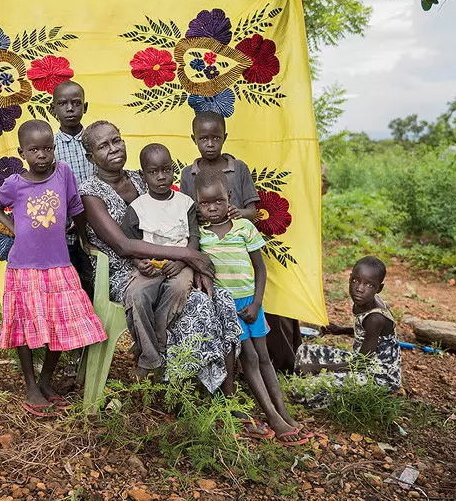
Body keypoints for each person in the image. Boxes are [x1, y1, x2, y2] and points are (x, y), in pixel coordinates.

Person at [78, 120, 240, 393]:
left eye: (116, 140)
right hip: (121, 272)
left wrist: (188, 261)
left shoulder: (144, 177)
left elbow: (181, 221)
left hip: (171, 267)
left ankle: (215, 387)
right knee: (192, 305)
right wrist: (188, 255)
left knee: (217, 299)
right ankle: (171, 379)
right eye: (103, 146)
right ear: (90, 157)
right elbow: (123, 246)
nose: (114, 149)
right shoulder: (90, 193)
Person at [0, 119, 107, 416]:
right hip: (24, 268)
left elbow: (77, 208)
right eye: (34, 150)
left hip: (59, 265)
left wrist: (82, 240)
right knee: (26, 327)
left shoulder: (63, 173)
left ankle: (46, 381)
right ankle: (30, 386)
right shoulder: (16, 184)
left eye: (48, 149)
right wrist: (14, 228)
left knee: (59, 324)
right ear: (22, 152)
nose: (42, 155)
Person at [179, 110, 301, 374]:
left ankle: (250, 368)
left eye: (215, 138)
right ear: (194, 139)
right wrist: (198, 216)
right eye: (203, 139)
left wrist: (238, 213)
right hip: (210, 248)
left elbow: (253, 211)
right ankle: (221, 371)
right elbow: (188, 215)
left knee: (246, 316)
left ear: (225, 137)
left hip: (237, 250)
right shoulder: (188, 175)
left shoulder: (239, 168)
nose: (209, 144)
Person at [196, 170, 310, 445]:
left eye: (218, 202)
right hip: (226, 307)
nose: (212, 208)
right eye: (205, 204)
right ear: (197, 204)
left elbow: (260, 268)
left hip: (250, 301)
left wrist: (257, 302)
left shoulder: (244, 228)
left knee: (263, 357)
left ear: (230, 199)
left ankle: (281, 409)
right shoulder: (200, 236)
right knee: (248, 357)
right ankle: (271, 416)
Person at [120, 143, 198, 380]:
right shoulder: (138, 207)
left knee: (177, 288)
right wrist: (138, 263)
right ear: (143, 175)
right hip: (151, 267)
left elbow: (194, 239)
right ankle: (153, 357)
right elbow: (130, 246)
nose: (161, 177)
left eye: (166, 170)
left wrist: (184, 263)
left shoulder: (186, 203)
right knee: (136, 295)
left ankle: (153, 351)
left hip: (180, 265)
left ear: (173, 169)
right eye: (153, 172)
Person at [293, 256, 402, 402]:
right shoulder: (364, 302)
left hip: (379, 375)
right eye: (356, 281)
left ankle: (355, 401)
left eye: (369, 285)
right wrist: (340, 330)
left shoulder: (376, 318)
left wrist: (318, 368)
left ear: (379, 288)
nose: (359, 289)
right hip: (360, 361)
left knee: (308, 387)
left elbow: (362, 363)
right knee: (304, 350)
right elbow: (367, 332)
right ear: (350, 279)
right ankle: (300, 385)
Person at [51, 80, 96, 298]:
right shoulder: (50, 147)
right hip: (65, 229)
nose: (70, 109)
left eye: (76, 103)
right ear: (53, 109)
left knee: (93, 277)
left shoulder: (95, 141)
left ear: (85, 108)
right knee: (68, 279)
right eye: (63, 104)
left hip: (96, 225)